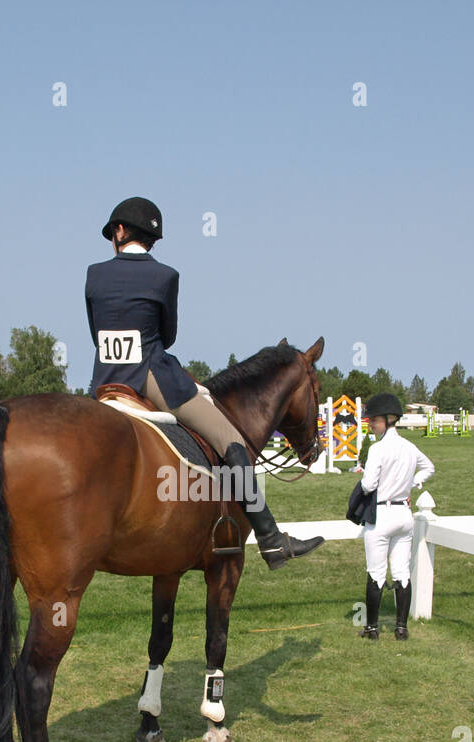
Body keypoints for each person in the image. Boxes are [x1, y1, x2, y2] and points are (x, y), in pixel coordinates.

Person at [85, 196, 322, 570]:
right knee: (230, 441)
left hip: (106, 380)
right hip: (150, 378)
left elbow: (96, 331)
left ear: (118, 231)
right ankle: (271, 539)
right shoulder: (165, 276)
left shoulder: (94, 274)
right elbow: (168, 335)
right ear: (151, 239)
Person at [358, 393, 434, 640]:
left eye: (374, 420)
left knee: (376, 573)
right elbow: (429, 467)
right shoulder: (410, 448)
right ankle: (401, 628)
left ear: (389, 420)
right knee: (402, 572)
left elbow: (368, 485)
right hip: (404, 515)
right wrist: (412, 483)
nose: (371, 423)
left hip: (382, 515)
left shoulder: (378, 449)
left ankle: (372, 628)